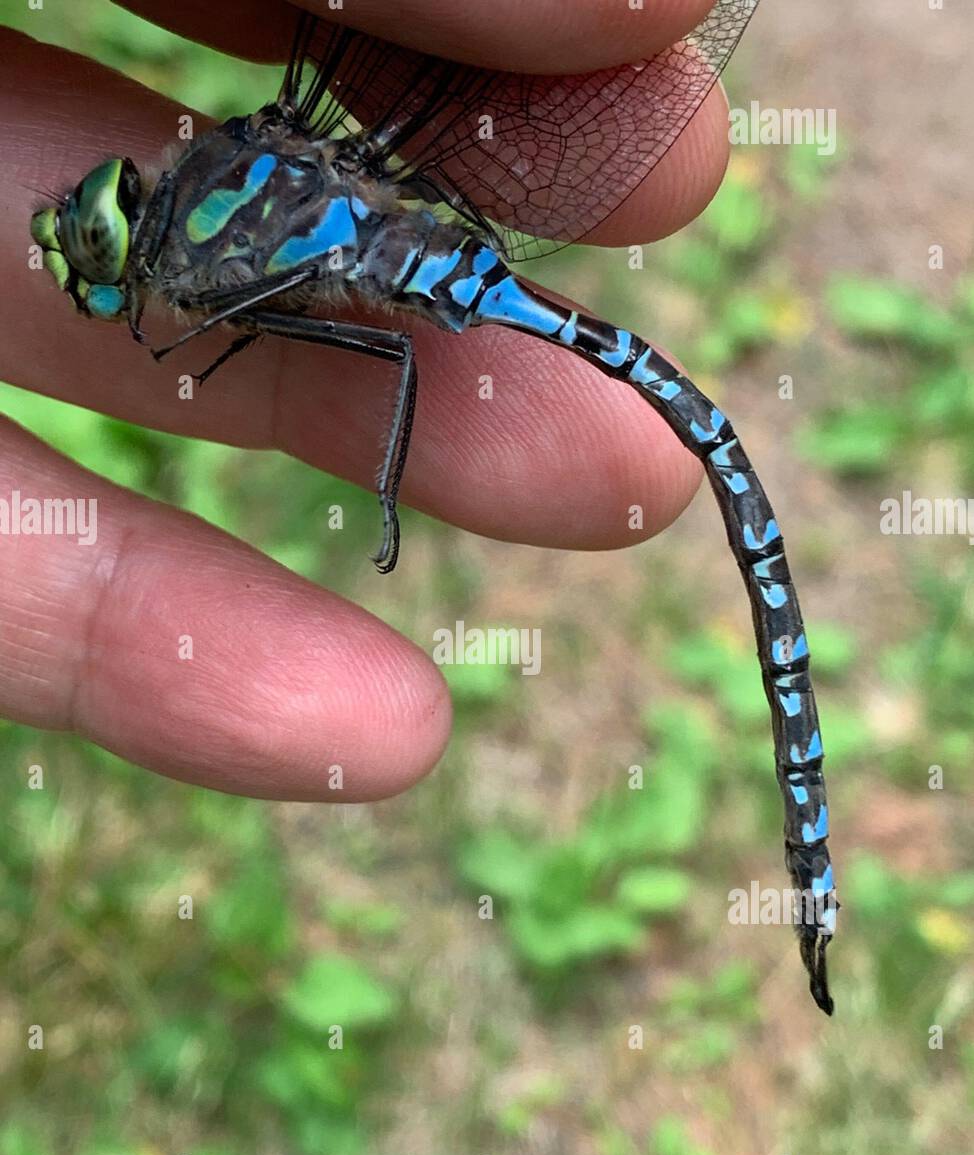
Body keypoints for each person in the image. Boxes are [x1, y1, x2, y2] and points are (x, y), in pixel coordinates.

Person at [1, 0, 734, 801]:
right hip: (364, 243)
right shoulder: (204, 227)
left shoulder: (184, 259)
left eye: (93, 236)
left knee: (394, 355)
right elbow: (247, 312)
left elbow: (228, 319)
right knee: (385, 352)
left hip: (393, 250)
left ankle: (395, 486)